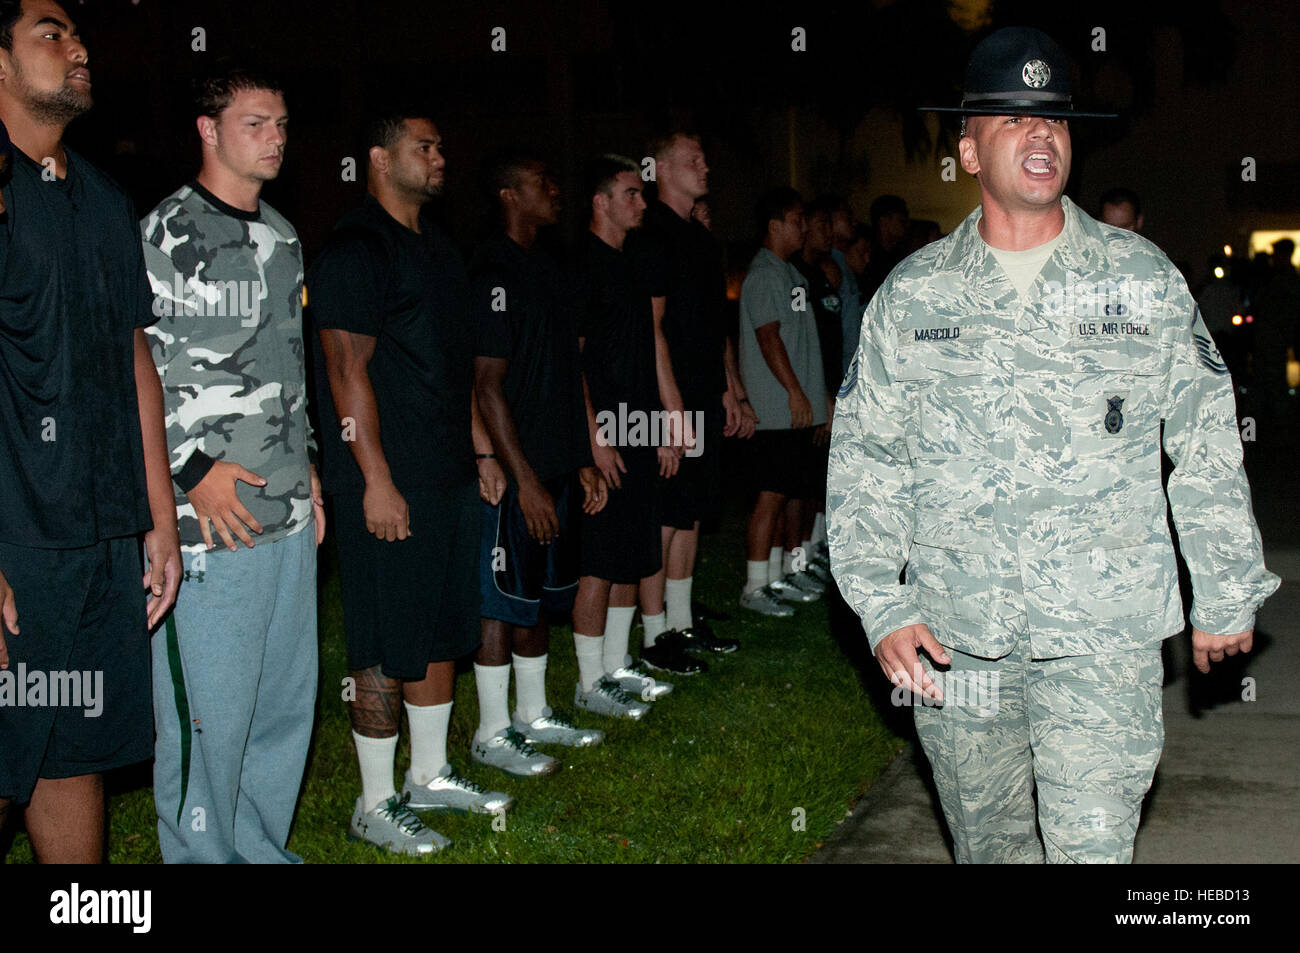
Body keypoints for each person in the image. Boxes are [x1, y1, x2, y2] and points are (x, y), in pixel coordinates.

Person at [830, 26, 1280, 863]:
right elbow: (867, 455)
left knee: (1092, 850)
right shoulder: (915, 293)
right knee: (991, 849)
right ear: (968, 150)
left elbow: (1207, 432)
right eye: (1013, 119)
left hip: (1103, 635)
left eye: (1057, 121)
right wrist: (880, 601)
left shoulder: (1138, 278)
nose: (1043, 134)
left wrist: (1223, 584)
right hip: (957, 642)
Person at [0, 0, 181, 862]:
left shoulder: (107, 201)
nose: (78, 47)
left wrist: (159, 517)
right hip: (18, 541)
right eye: (50, 33)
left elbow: (135, 363)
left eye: (78, 35)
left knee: (71, 750)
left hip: (104, 539)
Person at [311, 110, 509, 856]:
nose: (438, 155)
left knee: (437, 630)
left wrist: (483, 454)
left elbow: (453, 369)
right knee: (384, 637)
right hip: (386, 480)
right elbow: (344, 370)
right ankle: (375, 800)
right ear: (376, 157)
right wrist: (374, 480)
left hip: (447, 473)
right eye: (422, 146)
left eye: (440, 144)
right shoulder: (357, 248)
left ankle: (428, 774)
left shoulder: (440, 249)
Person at [142, 64, 321, 864]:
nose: (275, 137)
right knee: (208, 717)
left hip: (284, 513)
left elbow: (292, 369)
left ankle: (258, 850)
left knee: (281, 710)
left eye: (281, 123)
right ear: (208, 130)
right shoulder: (163, 231)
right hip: (206, 524)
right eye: (255, 122)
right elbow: (134, 367)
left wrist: (312, 469)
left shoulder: (284, 236)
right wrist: (188, 470)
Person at [470, 152, 607, 775]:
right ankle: (492, 733)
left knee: (543, 595)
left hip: (553, 463)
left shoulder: (548, 269)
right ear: (507, 194)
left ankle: (532, 714)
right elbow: (487, 384)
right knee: (504, 598)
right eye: (540, 182)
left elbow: (567, 372)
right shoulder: (492, 269)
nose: (555, 190)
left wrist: (579, 459)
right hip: (514, 470)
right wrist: (521, 477)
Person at [569, 155, 685, 707]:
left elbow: (652, 343)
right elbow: (574, 360)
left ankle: (616, 666)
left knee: (632, 551)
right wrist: (595, 436)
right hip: (607, 429)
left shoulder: (632, 262)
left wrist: (669, 418)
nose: (642, 202)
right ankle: (590, 683)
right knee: (599, 558)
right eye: (631, 194)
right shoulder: (581, 266)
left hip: (639, 424)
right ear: (602, 202)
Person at [636, 132, 745, 661]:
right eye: (693, 160)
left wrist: (726, 390)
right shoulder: (650, 233)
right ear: (659, 168)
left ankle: (679, 622)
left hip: (702, 393)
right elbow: (652, 329)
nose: (705, 167)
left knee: (692, 511)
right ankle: (653, 633)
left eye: (705, 158)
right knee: (664, 513)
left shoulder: (701, 239)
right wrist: (671, 410)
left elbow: (714, 328)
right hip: (664, 399)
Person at [737, 188, 827, 617]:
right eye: (796, 219)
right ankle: (755, 586)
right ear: (775, 225)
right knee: (770, 496)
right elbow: (767, 337)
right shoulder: (764, 274)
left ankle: (777, 577)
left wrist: (816, 391)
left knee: (787, 493)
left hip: (795, 406)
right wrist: (794, 391)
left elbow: (801, 341)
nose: (803, 227)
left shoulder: (790, 273)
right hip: (775, 407)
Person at [860, 193, 910, 302]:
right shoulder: (866, 255)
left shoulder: (899, 255)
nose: (906, 225)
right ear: (885, 221)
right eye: (902, 221)